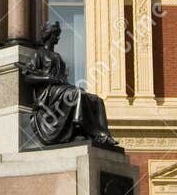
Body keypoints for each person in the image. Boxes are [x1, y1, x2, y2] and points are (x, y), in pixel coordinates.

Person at [21, 20, 118, 150]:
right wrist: (47, 77)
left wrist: (60, 81)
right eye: (56, 35)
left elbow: (63, 80)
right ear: (50, 35)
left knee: (96, 100)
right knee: (78, 93)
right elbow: (28, 77)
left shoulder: (58, 57)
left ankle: (104, 135)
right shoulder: (39, 53)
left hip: (60, 89)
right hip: (48, 93)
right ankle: (79, 126)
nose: (58, 37)